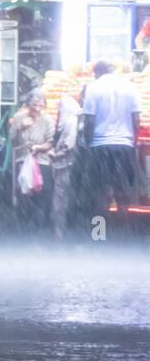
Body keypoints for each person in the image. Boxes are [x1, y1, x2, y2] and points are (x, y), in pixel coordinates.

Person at [81, 60, 141, 225]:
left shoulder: (93, 87)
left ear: (97, 72)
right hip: (124, 145)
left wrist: (87, 143)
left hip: (100, 145)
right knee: (122, 190)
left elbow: (89, 120)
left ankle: (99, 234)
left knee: (100, 191)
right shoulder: (129, 86)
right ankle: (121, 232)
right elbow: (137, 120)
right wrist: (132, 143)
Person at [9, 89, 55, 235]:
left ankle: (41, 227)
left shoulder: (48, 120)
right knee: (24, 192)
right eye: (34, 103)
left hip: (41, 160)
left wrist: (38, 148)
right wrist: (20, 127)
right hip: (22, 159)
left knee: (43, 193)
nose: (37, 107)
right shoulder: (19, 117)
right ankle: (23, 227)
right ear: (28, 104)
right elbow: (11, 139)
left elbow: (50, 142)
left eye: (41, 104)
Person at [49, 93, 81, 240]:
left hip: (65, 165)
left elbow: (68, 144)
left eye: (61, 108)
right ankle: (60, 231)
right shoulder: (72, 121)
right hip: (64, 165)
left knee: (61, 198)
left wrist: (56, 155)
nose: (59, 111)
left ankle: (59, 233)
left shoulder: (71, 122)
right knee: (62, 197)